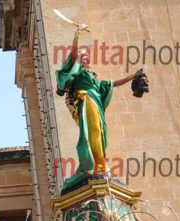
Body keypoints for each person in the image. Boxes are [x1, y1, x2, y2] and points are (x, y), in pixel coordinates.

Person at [56, 23, 145, 192]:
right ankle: (98, 165)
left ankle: (100, 165)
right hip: (86, 100)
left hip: (96, 103)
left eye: (87, 56)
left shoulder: (94, 78)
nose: (86, 58)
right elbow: (73, 54)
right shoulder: (79, 74)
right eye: (83, 57)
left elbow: (112, 83)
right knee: (93, 131)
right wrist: (77, 34)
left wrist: (132, 76)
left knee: (101, 134)